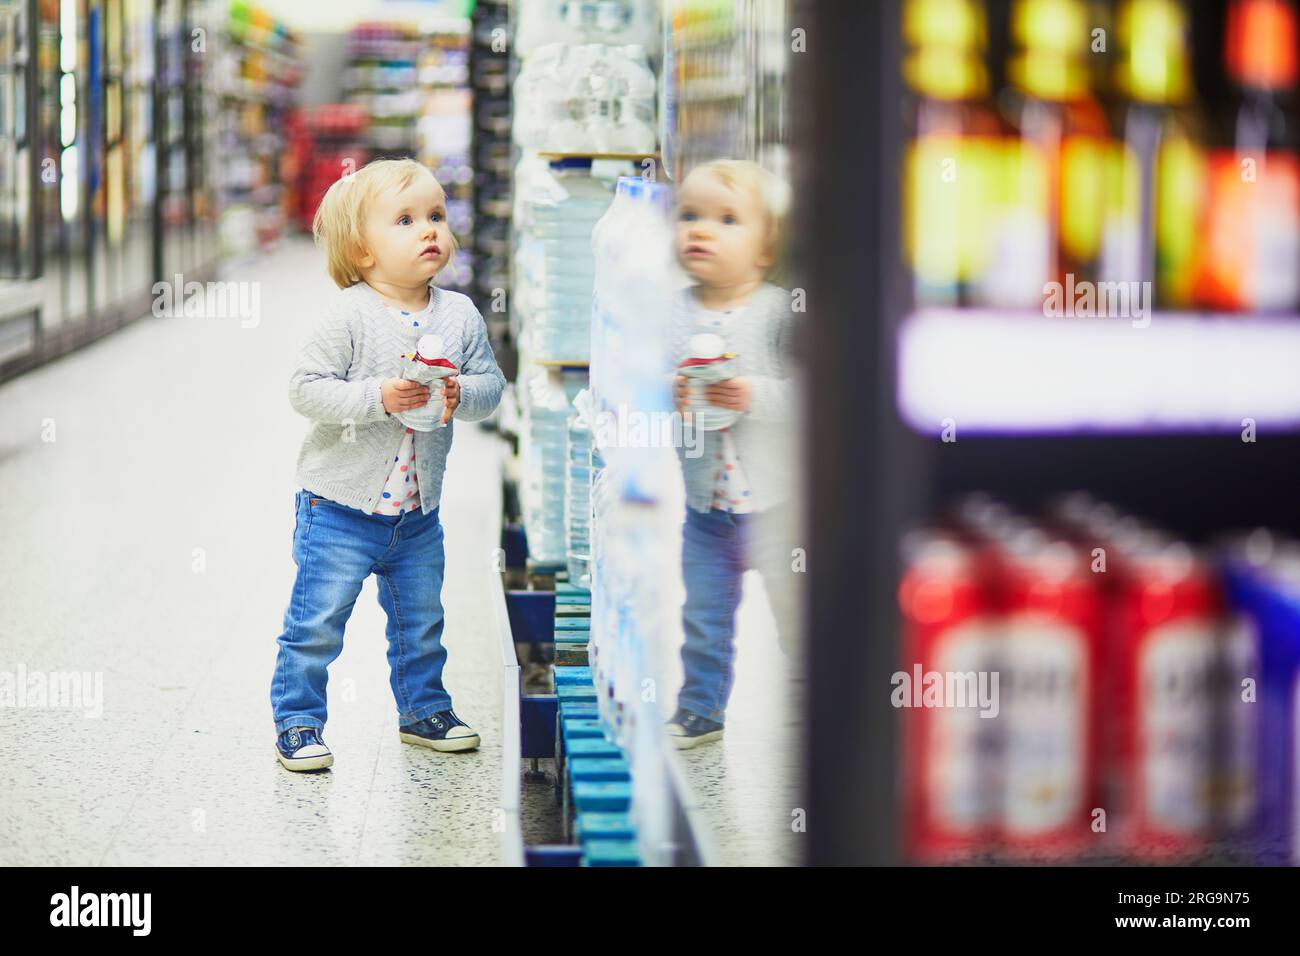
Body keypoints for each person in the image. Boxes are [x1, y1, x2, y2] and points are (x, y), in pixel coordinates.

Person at [270, 158, 505, 771]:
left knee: (422, 621)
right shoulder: (347, 315)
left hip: (417, 515)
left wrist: (461, 396)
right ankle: (298, 721)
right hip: (339, 510)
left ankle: (425, 710)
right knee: (317, 624)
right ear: (363, 251)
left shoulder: (459, 316)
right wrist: (377, 397)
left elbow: (491, 386)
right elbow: (304, 389)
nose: (429, 229)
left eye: (436, 215)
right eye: (405, 220)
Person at [667, 159, 801, 749]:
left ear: (766, 248)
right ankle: (701, 709)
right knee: (703, 618)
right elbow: (639, 389)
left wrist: (753, 394)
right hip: (707, 510)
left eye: (726, 219)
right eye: (689, 215)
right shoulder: (670, 312)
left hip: (780, 508)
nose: (701, 229)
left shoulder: (782, 313)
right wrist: (664, 394)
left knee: (797, 616)